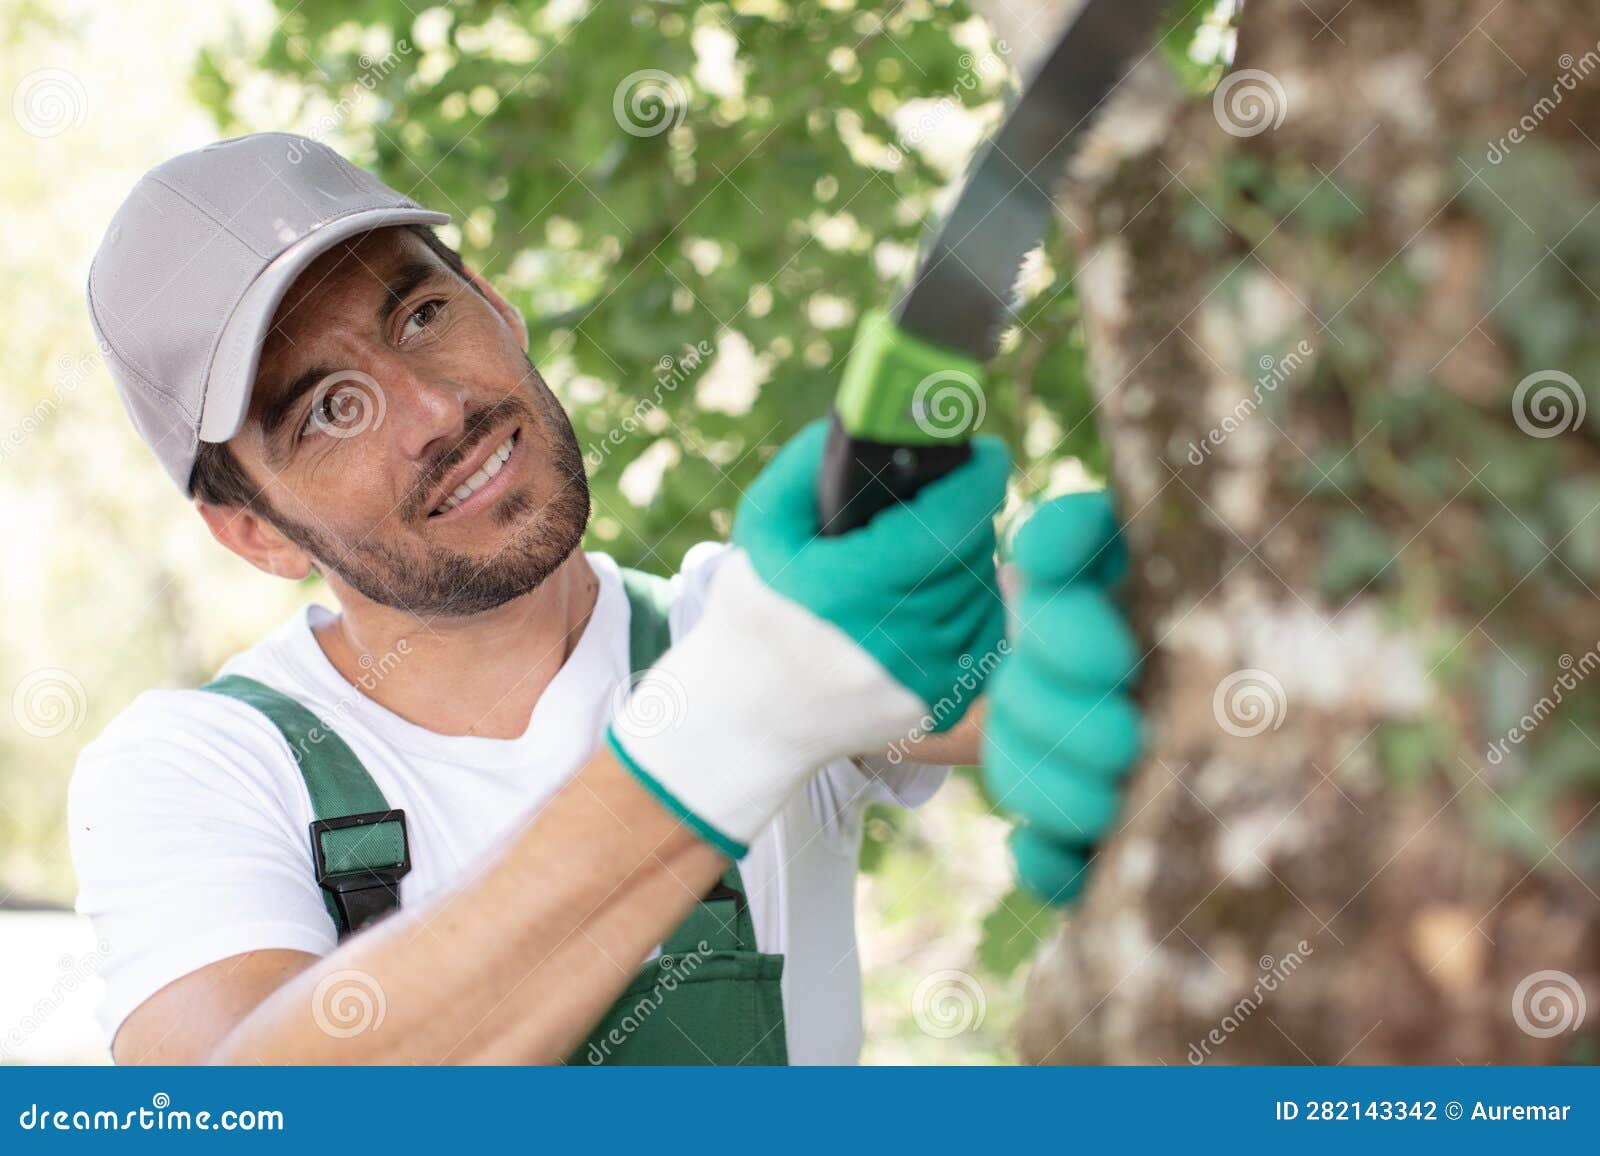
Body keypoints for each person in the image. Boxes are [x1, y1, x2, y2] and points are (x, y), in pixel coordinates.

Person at [70, 132, 1140, 1065]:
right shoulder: (198, 770)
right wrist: (735, 723)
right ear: (251, 528)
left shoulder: (743, 627)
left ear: (498, 305)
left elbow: (1142, 677)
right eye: (328, 411)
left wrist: (1138, 657)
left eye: (423, 315)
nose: (436, 410)